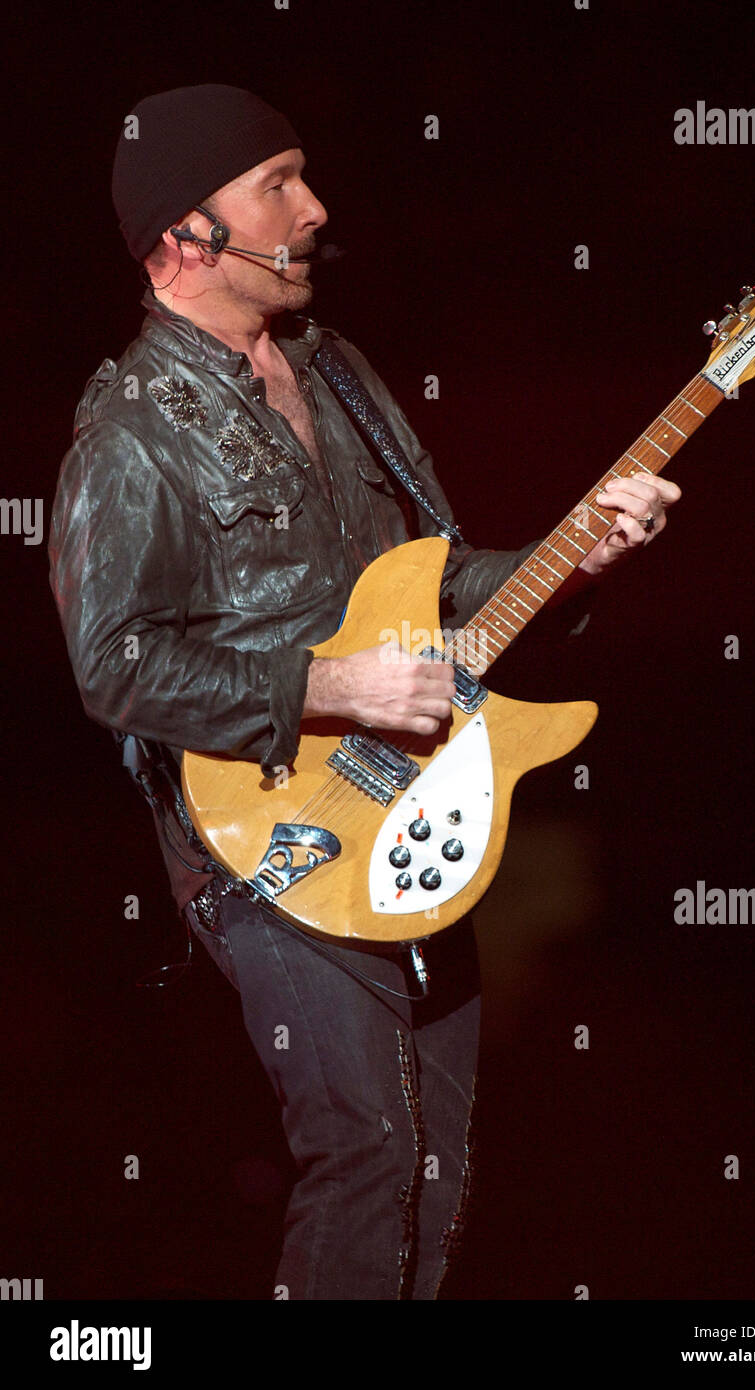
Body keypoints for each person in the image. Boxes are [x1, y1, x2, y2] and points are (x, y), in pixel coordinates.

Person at [48, 84, 681, 1300]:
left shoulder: (334, 371)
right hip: (267, 831)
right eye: (276, 184)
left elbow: (433, 584)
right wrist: (334, 682)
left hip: (412, 803)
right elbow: (115, 667)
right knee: (364, 1149)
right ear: (187, 237)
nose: (314, 207)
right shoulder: (129, 430)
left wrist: (579, 549)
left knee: (433, 1165)